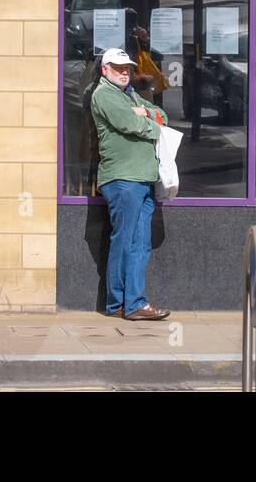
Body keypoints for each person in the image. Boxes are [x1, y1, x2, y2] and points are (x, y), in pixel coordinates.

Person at [91, 47, 171, 321]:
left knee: (140, 244)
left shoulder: (130, 94)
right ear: (105, 70)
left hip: (143, 178)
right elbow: (131, 124)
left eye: (127, 68)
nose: (124, 72)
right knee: (124, 242)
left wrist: (144, 112)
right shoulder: (104, 94)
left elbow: (161, 114)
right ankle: (119, 303)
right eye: (117, 68)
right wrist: (148, 121)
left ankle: (134, 303)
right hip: (123, 179)